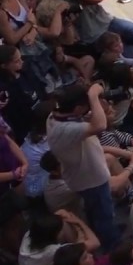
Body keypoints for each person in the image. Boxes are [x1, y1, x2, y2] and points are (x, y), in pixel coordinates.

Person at [46, 83, 118, 250]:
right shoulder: (64, 129)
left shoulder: (56, 115)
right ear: (78, 108)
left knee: (95, 212)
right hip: (91, 179)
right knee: (104, 214)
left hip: (83, 175)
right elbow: (100, 125)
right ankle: (112, 245)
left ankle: (105, 233)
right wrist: (93, 96)